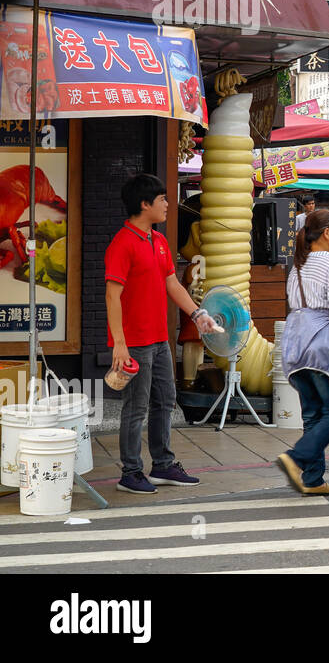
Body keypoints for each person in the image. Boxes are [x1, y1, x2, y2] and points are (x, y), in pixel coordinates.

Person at [107, 173, 216, 494]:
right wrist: (119, 345)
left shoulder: (159, 241)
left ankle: (163, 465)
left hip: (158, 339)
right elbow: (112, 295)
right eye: (163, 200)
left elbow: (172, 283)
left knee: (165, 401)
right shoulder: (122, 243)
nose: (169, 204)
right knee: (136, 407)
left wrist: (197, 313)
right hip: (133, 343)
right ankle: (130, 472)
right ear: (144, 204)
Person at [277, 208, 329, 496]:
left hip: (295, 345)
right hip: (321, 348)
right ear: (326, 232)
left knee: (312, 414)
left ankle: (313, 480)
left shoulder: (298, 263)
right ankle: (296, 458)